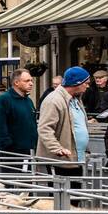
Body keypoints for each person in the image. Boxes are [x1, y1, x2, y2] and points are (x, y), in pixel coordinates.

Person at [36, 65, 91, 193]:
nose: (88, 86)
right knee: (62, 197)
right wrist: (57, 148)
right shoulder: (54, 100)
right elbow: (45, 128)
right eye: (86, 83)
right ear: (77, 83)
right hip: (61, 160)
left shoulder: (76, 99)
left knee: (75, 196)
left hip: (77, 158)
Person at [0, 68, 37, 164]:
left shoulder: (28, 101)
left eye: (31, 81)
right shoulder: (3, 100)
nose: (31, 83)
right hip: (12, 152)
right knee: (13, 178)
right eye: (27, 81)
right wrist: (8, 145)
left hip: (29, 151)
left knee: (28, 178)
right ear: (16, 82)